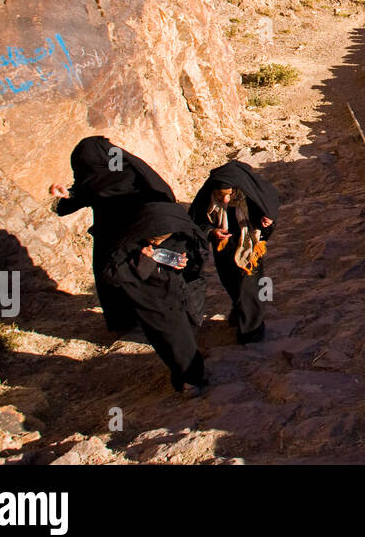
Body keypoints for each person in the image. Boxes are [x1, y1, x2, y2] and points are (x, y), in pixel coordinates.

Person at [50, 136, 176, 332]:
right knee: (115, 278)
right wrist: (68, 194)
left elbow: (93, 187)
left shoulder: (118, 175)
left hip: (133, 233)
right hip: (112, 233)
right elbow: (81, 192)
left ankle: (143, 319)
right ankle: (129, 321)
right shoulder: (108, 170)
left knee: (130, 274)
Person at [103, 202, 209, 393]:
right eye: (154, 239)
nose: (156, 244)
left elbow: (195, 255)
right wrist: (143, 262)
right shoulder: (127, 241)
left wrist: (181, 263)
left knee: (185, 336)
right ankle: (189, 380)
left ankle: (190, 376)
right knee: (171, 341)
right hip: (150, 302)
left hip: (177, 293)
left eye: (161, 240)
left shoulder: (178, 232)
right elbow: (113, 275)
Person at [189, 161, 279, 344]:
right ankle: (240, 314)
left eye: (229, 195)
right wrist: (212, 232)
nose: (225, 201)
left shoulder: (250, 196)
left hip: (249, 248)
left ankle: (252, 331)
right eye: (221, 196)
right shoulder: (208, 197)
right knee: (231, 283)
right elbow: (196, 222)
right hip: (224, 249)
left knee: (249, 289)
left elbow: (267, 215)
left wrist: (266, 223)